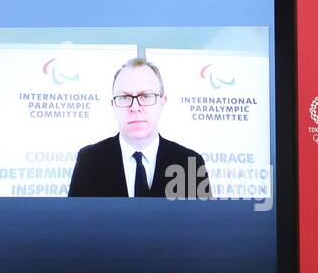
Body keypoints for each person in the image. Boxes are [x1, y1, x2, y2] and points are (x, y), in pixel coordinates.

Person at [67, 58, 211, 198]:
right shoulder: (89, 161)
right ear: (113, 104)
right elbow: (74, 221)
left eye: (146, 96)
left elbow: (202, 222)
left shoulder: (190, 163)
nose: (135, 107)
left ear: (162, 102)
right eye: (124, 97)